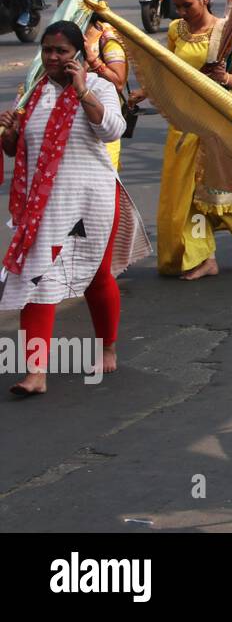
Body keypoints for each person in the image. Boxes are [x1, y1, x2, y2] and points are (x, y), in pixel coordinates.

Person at [1, 22, 150, 396]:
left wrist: (83, 91)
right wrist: (10, 134)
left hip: (92, 200)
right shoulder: (32, 94)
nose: (52, 58)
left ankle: (108, 347)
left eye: (61, 51)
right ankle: (36, 374)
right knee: (37, 282)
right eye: (47, 50)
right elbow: (19, 152)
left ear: (77, 56)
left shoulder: (99, 86)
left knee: (97, 278)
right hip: (46, 206)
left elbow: (113, 130)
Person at [143, 0, 232, 280]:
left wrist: (222, 77)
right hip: (183, 121)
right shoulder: (175, 31)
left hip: (216, 120)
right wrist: (145, 90)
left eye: (187, 5)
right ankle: (203, 256)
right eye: (177, 7)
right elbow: (167, 69)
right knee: (184, 193)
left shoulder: (227, 32)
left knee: (215, 188)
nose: (182, 12)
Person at [82, 17, 130, 170]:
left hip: (102, 119)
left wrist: (93, 61)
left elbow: (118, 83)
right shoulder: (63, 37)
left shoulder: (106, 38)